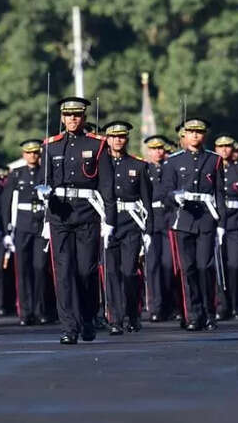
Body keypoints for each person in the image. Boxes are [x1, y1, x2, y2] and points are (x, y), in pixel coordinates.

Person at [38, 97, 116, 345]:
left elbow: (106, 185)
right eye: (68, 115)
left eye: (77, 115)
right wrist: (42, 192)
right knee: (63, 272)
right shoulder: (51, 146)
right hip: (60, 213)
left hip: (87, 213)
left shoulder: (97, 145)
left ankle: (88, 318)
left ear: (83, 118)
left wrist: (110, 220)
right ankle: (69, 327)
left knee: (86, 270)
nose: (72, 119)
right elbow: (43, 179)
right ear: (61, 117)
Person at [162, 117, 224, 331]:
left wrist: (221, 221)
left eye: (199, 132)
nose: (195, 135)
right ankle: (193, 314)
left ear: (204, 135)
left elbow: (219, 193)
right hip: (183, 219)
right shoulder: (173, 161)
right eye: (191, 132)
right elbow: (165, 192)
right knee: (188, 269)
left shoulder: (214, 160)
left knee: (205, 267)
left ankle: (209, 313)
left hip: (206, 218)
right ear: (184, 135)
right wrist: (174, 197)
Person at [101, 121, 152, 334]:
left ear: (126, 139)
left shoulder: (138, 165)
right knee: (111, 273)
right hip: (108, 224)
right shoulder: (100, 165)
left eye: (121, 137)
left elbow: (147, 201)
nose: (117, 140)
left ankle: (133, 313)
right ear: (107, 139)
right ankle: (115, 320)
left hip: (131, 224)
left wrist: (148, 231)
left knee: (129, 272)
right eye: (113, 137)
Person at [1, 139, 52, 326]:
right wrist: (8, 229)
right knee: (22, 270)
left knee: (39, 268)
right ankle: (25, 312)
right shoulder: (16, 175)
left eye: (36, 152)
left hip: (40, 225)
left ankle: (40, 310)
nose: (32, 155)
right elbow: (7, 203)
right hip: (22, 226)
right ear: (23, 154)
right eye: (29, 153)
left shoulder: (45, 174)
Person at [213, 135, 238, 321]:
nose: (224, 150)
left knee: (235, 265)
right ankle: (223, 306)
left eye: (227, 147)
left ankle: (237, 303)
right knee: (220, 265)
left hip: (236, 223)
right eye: (220, 147)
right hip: (217, 221)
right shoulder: (211, 167)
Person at [143, 135, 176, 322]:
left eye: (160, 149)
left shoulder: (170, 168)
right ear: (149, 151)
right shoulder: (145, 169)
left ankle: (169, 305)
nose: (158, 152)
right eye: (154, 149)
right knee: (153, 266)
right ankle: (156, 307)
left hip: (168, 218)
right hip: (152, 220)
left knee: (168, 266)